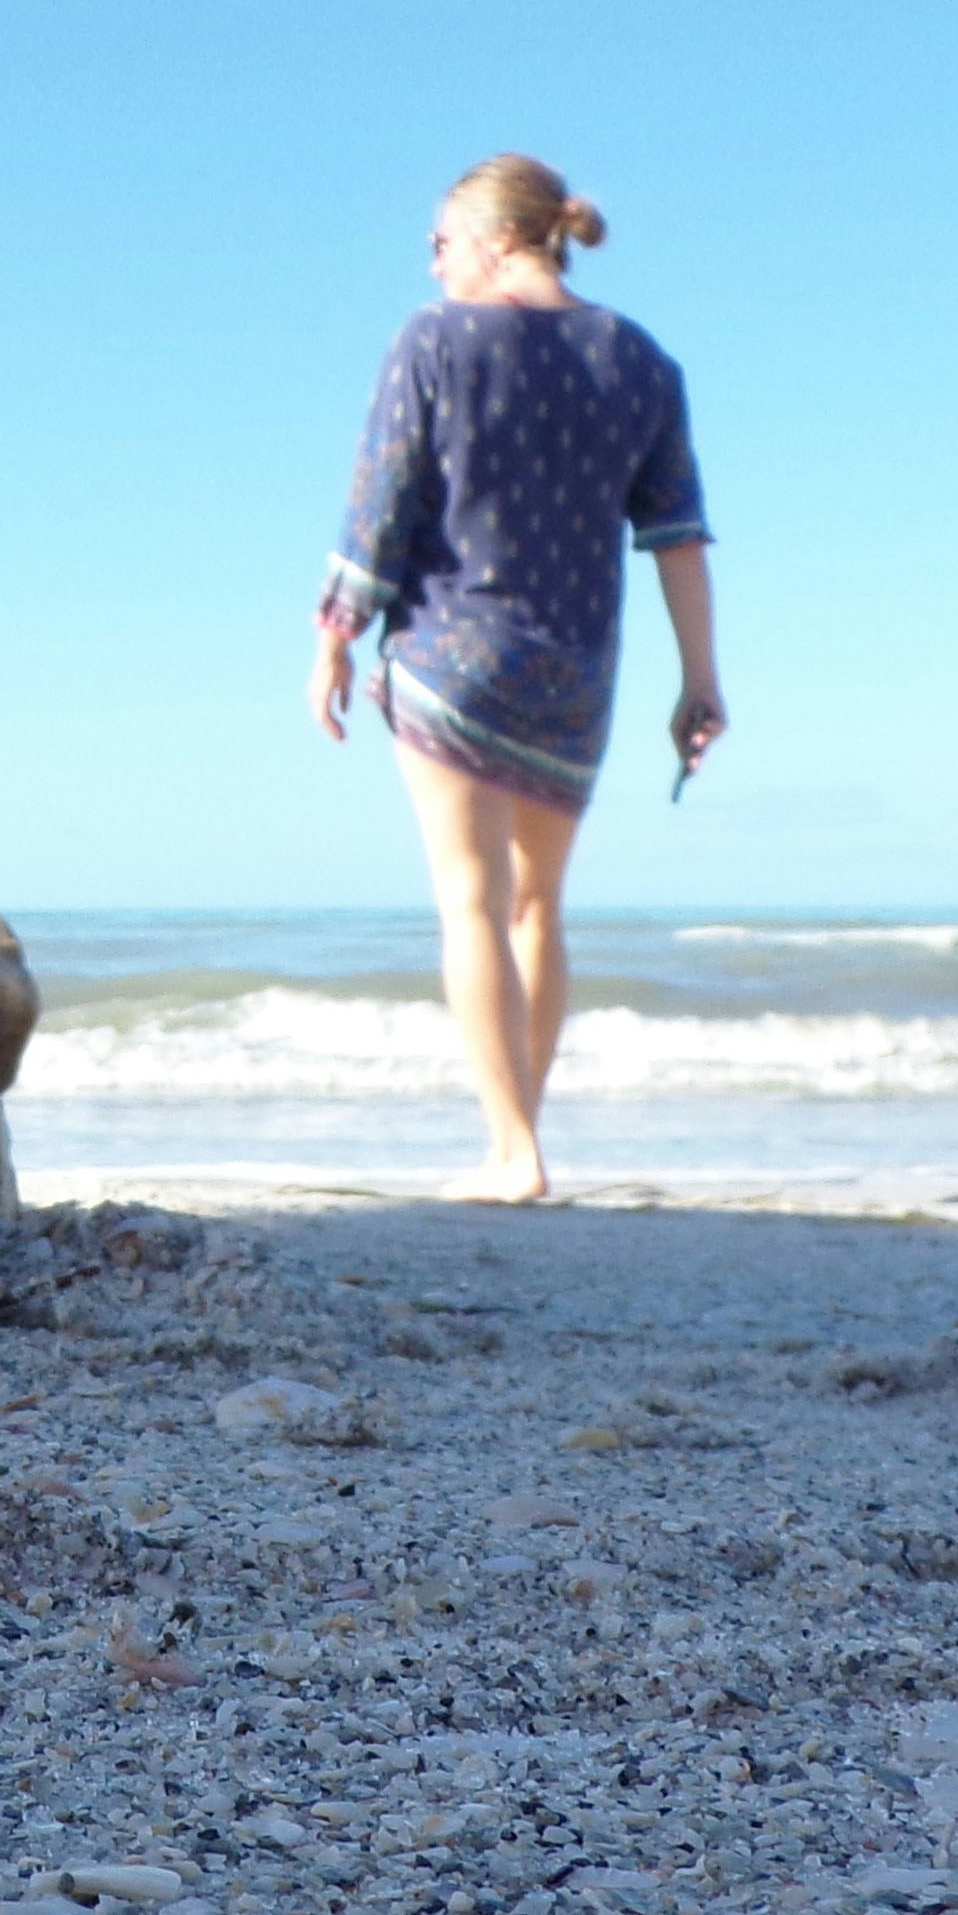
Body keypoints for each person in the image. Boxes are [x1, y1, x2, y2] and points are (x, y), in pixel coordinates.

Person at [310, 154, 722, 1203]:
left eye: (442, 240)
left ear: (496, 240)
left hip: (454, 652)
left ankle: (512, 1152)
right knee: (540, 906)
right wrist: (701, 680)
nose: (434, 261)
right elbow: (677, 538)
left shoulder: (434, 340)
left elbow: (381, 500)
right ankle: (524, 1138)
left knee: (471, 903)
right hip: (579, 669)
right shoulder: (640, 361)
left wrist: (336, 633)